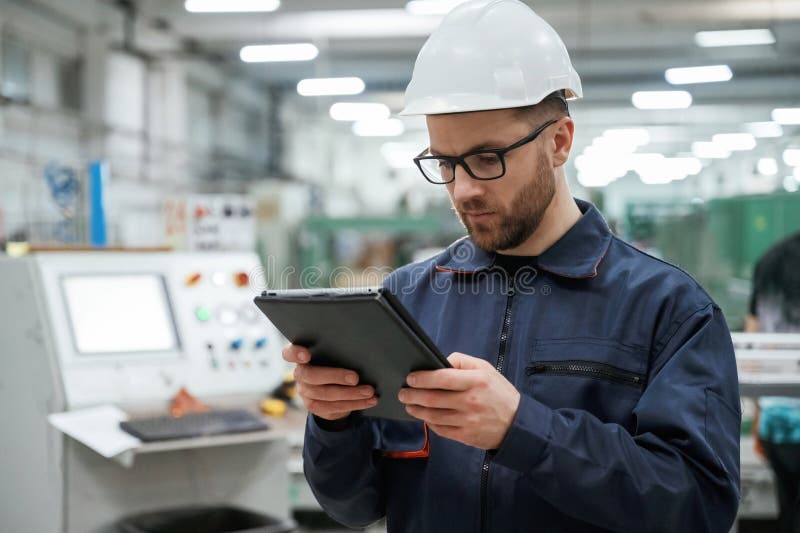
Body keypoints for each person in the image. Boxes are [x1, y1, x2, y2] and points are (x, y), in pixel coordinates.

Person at [282, 1, 741, 531]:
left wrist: (523, 430)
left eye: (486, 158)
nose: (464, 189)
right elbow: (356, 506)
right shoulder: (407, 299)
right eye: (445, 163)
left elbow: (699, 506)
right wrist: (333, 422)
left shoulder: (667, 309)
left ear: (559, 142)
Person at [745, 232, 800, 533]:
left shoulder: (771, 260)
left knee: (788, 505)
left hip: (777, 421)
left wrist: (759, 413)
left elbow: (753, 343)